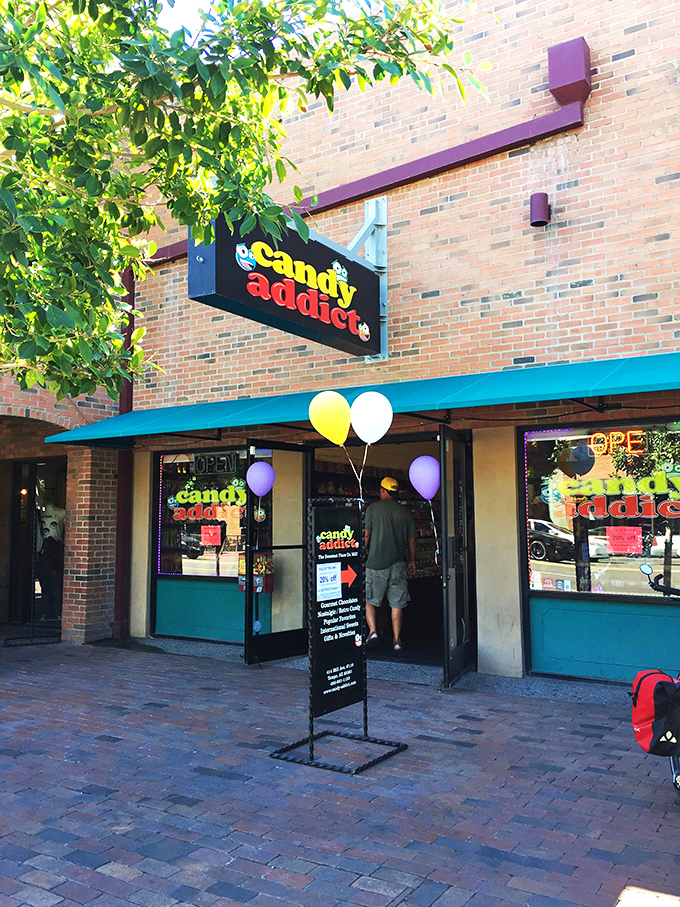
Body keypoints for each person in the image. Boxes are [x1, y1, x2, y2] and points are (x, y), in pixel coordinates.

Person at [364, 476, 417, 653]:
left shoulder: (373, 509)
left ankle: (373, 632)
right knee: (397, 604)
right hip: (398, 564)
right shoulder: (404, 512)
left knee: (370, 599)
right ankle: (396, 640)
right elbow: (411, 540)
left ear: (383, 491)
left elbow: (366, 536)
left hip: (375, 563)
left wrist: (360, 552)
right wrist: (411, 561)